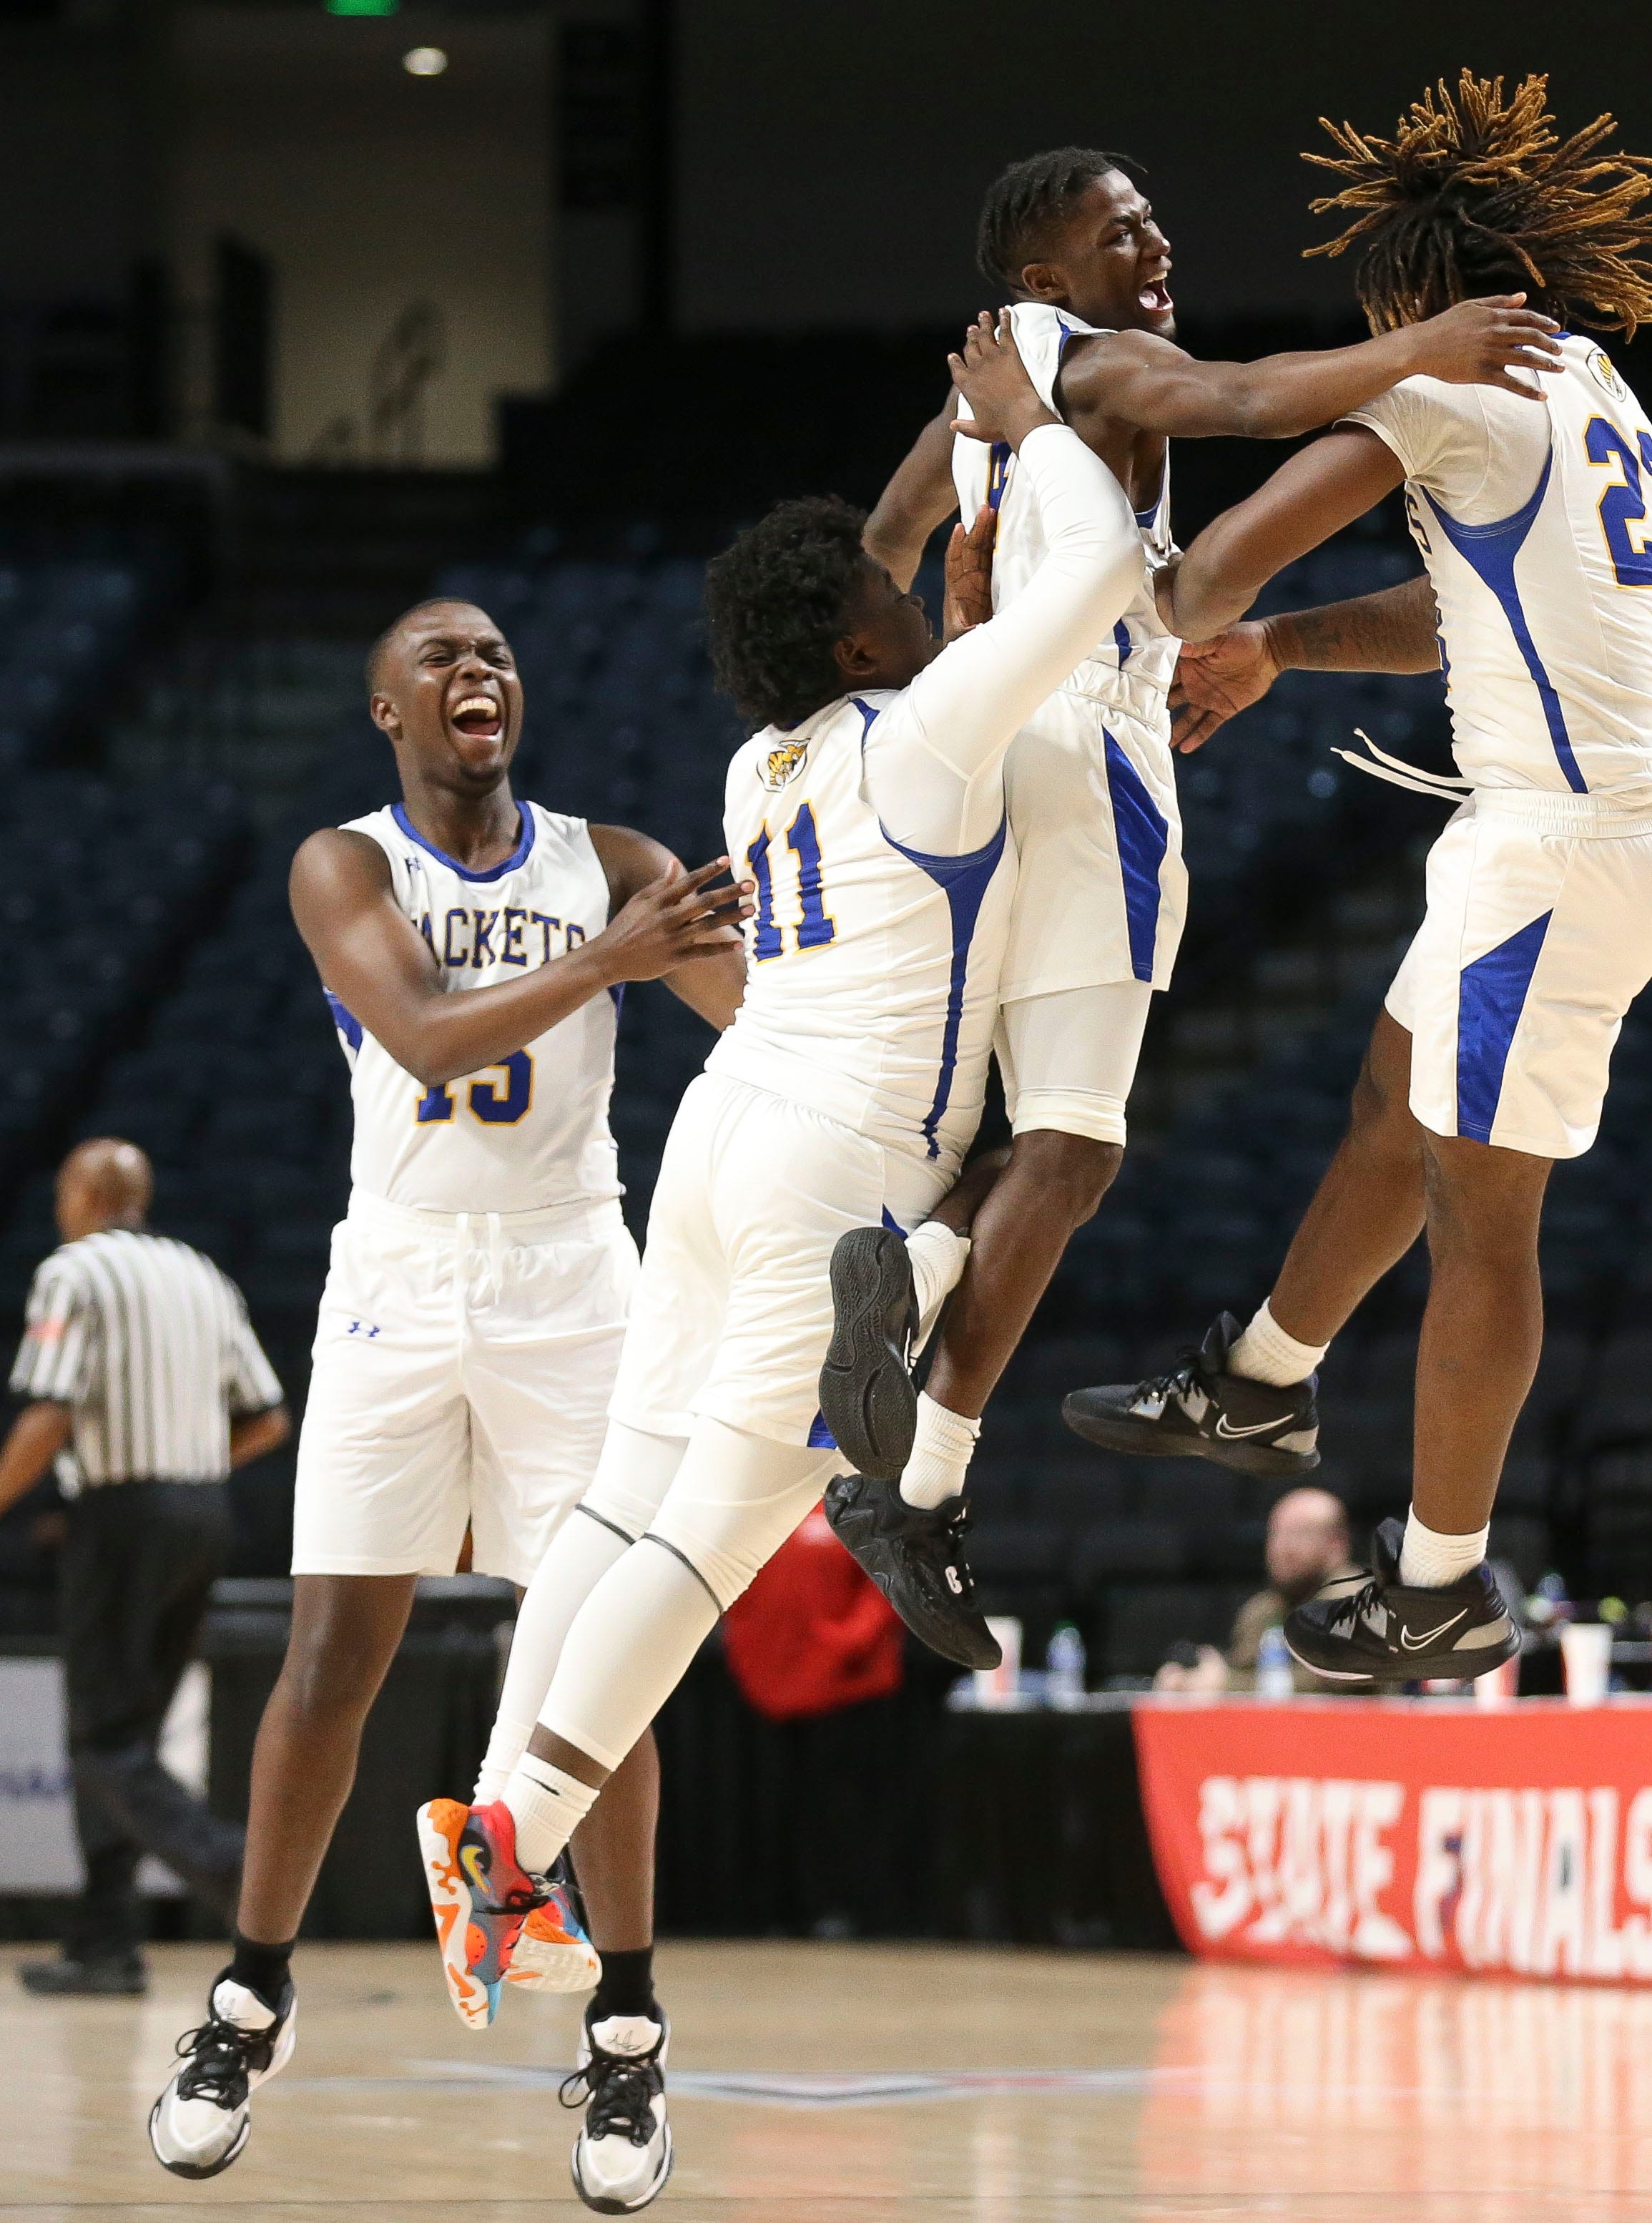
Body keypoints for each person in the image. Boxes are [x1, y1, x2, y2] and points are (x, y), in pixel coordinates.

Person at [413, 313, 1142, 2023]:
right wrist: (1025, 421)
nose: (912, 587)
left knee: (619, 1500)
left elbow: (903, 604)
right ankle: (512, 1851)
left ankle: (493, 1805)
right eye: (886, 589)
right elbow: (1105, 567)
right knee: (710, 1541)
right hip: (837, 1161)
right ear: (852, 634)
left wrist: (947, 510)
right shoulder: (924, 731)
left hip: (722, 1128)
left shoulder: (760, 765)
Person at [820, 146, 1562, 1662]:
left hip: (971, 750)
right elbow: (1247, 400)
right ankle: (923, 1443)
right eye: (1119, 229)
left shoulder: (976, 395)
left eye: (1155, 216)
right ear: (1046, 274)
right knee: (1074, 1148)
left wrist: (880, 712)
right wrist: (1420, 349)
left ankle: (919, 1287)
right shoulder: (1096, 364)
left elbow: (878, 550)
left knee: (1031, 1143)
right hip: (1088, 744)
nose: (1155, 241)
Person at [1067, 74, 1652, 1684]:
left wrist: (1119, 570)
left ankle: (1439, 1582)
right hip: (1574, 832)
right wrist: (1284, 649)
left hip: (1561, 848)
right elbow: (1458, 615)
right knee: (1388, 1098)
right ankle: (1261, 1377)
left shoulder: (1438, 390)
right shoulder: (1588, 385)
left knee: (1480, 1217)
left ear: (1411, 296)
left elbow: (1204, 574)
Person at [148, 597, 748, 2213]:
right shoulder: (342, 864)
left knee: (604, 1658)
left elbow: (760, 1022)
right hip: (399, 1277)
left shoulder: (613, 858)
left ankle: (625, 2032)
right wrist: (610, 960)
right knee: (331, 1658)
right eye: (439, 658)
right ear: (387, 713)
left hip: (574, 1278)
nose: (476, 671)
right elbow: (415, 1037)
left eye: (494, 655)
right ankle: (249, 2000)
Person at [0, 1138, 286, 1996]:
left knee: (101, 1740)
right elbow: (269, 1418)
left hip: (120, 1519)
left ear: (83, 1194)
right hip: (202, 1514)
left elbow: (49, 1413)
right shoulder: (203, 1274)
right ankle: (106, 1942)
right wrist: (183, 1476)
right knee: (129, 1735)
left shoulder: (73, 1271)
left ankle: (229, 1865)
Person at [1154, 1486, 1357, 1695]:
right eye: (1276, 1535)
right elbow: (1244, 1671)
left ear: (1337, 1544)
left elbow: (1333, 1681)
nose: (1282, 1548)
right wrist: (1193, 1679)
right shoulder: (1262, 1610)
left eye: (1299, 1535)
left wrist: (1228, 1685)